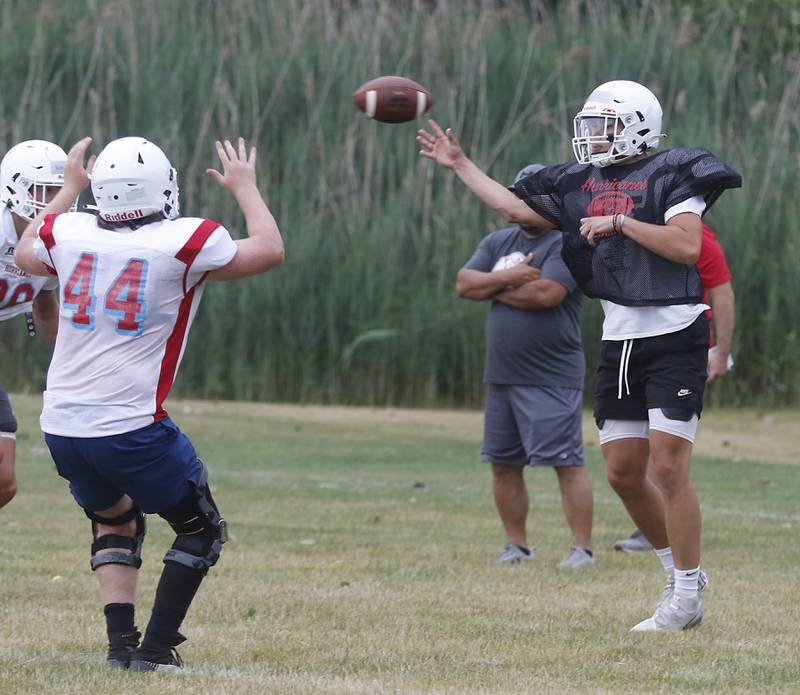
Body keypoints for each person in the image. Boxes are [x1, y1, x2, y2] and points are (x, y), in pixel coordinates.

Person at [417, 80, 741, 631]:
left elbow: (687, 246)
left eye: (604, 126)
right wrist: (461, 164)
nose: (592, 137)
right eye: (589, 126)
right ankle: (675, 574)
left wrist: (619, 222)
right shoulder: (580, 183)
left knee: (667, 464)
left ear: (637, 126)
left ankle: (686, 590)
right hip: (619, 338)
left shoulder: (673, 174)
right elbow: (512, 204)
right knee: (621, 471)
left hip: (675, 332)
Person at [15, 135, 284, 670]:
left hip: (63, 424)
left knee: (114, 521)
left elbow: (26, 255)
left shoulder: (68, 229)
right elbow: (269, 250)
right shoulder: (185, 240)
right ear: (164, 190)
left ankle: (120, 649)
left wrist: (68, 189)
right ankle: (155, 651)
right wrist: (246, 188)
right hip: (130, 424)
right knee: (200, 528)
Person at [456, 163, 594, 570]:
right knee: (503, 464)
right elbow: (464, 284)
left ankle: (581, 549)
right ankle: (517, 545)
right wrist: (514, 277)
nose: (523, 203)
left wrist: (493, 287)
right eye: (519, 194)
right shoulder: (498, 241)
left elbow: (547, 294)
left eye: (533, 196)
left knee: (566, 463)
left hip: (551, 374)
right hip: (502, 374)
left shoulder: (568, 241)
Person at [615, 222, 735, 553]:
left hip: (684, 350)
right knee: (636, 455)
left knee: (665, 451)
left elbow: (721, 287)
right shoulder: (636, 228)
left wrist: (721, 354)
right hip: (635, 349)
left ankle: (665, 533)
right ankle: (658, 526)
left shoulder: (694, 232)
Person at [0, 140, 67, 509]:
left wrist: (72, 362)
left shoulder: (54, 242)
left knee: (3, 484)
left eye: (62, 190)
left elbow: (45, 304)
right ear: (14, 188)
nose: (56, 200)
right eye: (46, 190)